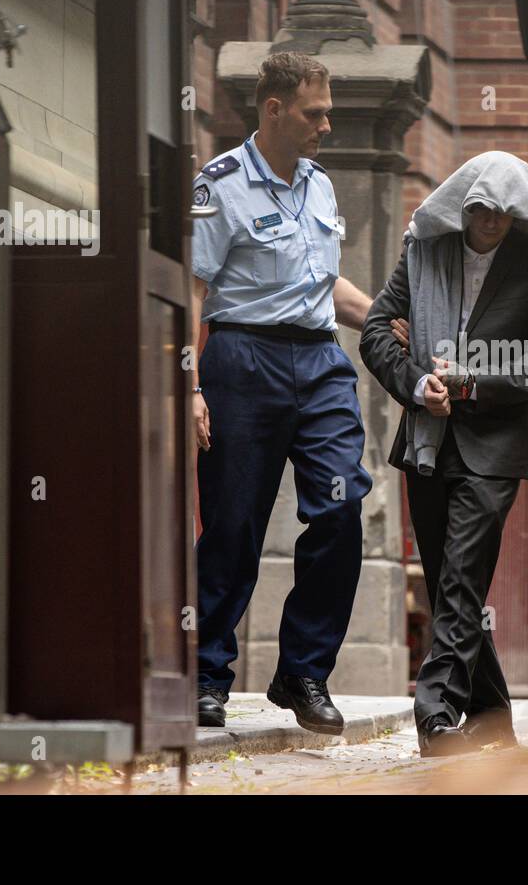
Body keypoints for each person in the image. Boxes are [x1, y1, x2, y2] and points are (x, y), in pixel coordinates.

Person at [360, 151, 528, 757]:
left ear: (518, 217)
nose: (491, 223)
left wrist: (469, 380)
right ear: (464, 204)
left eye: (504, 216)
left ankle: (434, 712)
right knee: (455, 586)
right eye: (482, 212)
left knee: (459, 576)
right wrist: (416, 385)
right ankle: (491, 717)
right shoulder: (425, 249)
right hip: (428, 441)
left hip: (496, 448)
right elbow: (377, 328)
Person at [190, 52, 375, 733]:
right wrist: (190, 383)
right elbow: (194, 287)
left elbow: (324, 286)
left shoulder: (319, 187)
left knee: (341, 506)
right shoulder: (219, 185)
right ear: (274, 110)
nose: (326, 124)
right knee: (233, 522)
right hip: (242, 359)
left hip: (319, 362)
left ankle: (302, 671)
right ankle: (207, 673)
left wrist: (388, 319)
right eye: (315, 112)